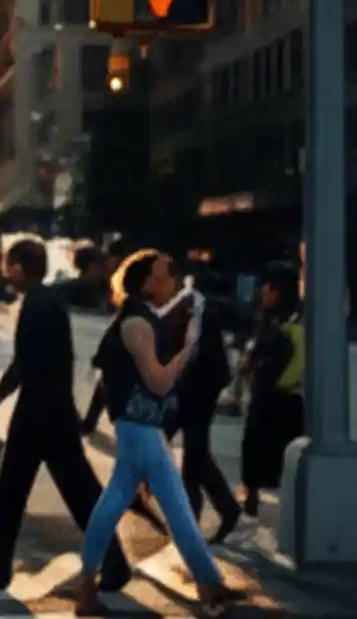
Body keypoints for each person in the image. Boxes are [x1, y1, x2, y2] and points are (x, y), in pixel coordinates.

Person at [72, 250, 239, 614]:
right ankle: (209, 586)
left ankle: (87, 587)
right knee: (175, 507)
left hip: (139, 426)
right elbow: (159, 383)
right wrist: (189, 347)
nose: (173, 283)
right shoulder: (136, 324)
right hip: (140, 427)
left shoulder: (141, 318)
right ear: (146, 282)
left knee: (116, 503)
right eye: (166, 275)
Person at [0, 240, 131, 593]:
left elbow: (22, 366)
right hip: (57, 412)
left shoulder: (38, 303)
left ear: (20, 266)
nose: (6, 271)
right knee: (80, 493)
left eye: (9, 264)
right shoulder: (48, 301)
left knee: (11, 494)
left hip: (37, 414)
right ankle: (115, 562)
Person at [159, 272, 241, 543]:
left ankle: (194, 519)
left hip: (196, 388)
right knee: (194, 453)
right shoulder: (189, 305)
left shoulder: (192, 306)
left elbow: (189, 352)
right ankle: (221, 510)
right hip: (193, 386)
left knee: (188, 453)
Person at [239, 268, 305, 517]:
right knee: (284, 452)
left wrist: (250, 365)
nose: (262, 293)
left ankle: (252, 496)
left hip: (269, 395)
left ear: (276, 292)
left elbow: (266, 356)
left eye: (266, 288)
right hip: (292, 396)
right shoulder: (296, 319)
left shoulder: (275, 324)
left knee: (256, 446)